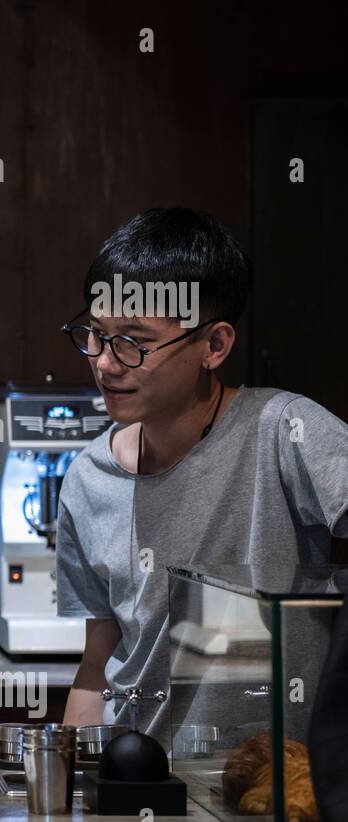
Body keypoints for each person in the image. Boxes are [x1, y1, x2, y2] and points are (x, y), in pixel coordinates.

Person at [57, 208, 348, 745]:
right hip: (137, 776)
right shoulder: (86, 477)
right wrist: (74, 776)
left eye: (133, 341)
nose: (104, 363)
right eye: (95, 334)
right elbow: (99, 658)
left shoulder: (284, 431)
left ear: (214, 346)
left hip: (266, 788)